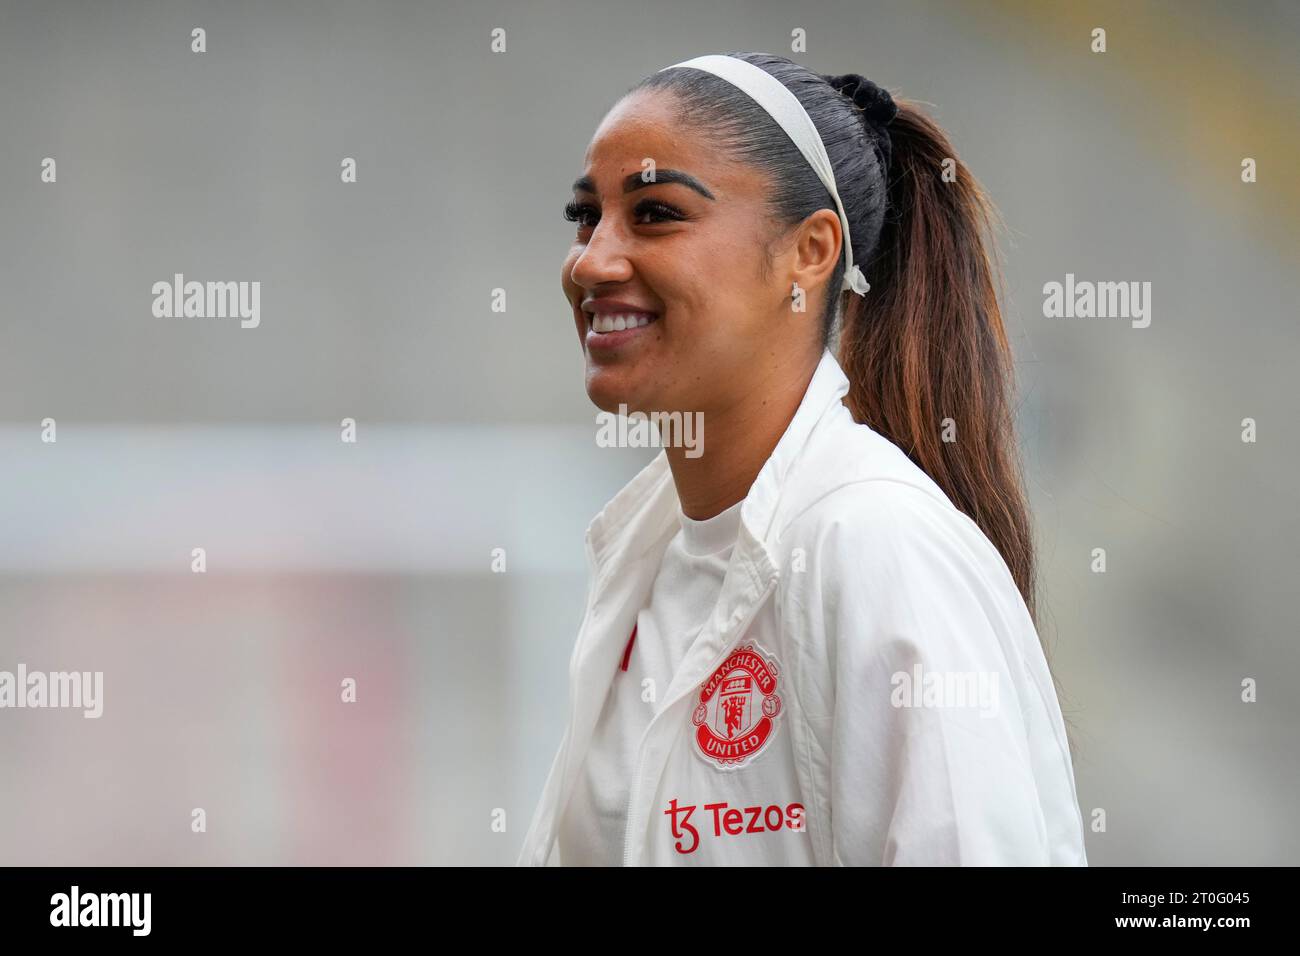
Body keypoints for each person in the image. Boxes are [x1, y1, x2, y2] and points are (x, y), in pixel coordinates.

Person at [518, 52, 1088, 866]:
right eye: (586, 216)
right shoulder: (643, 562)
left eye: (655, 214)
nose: (592, 261)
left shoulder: (878, 544)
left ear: (810, 253)